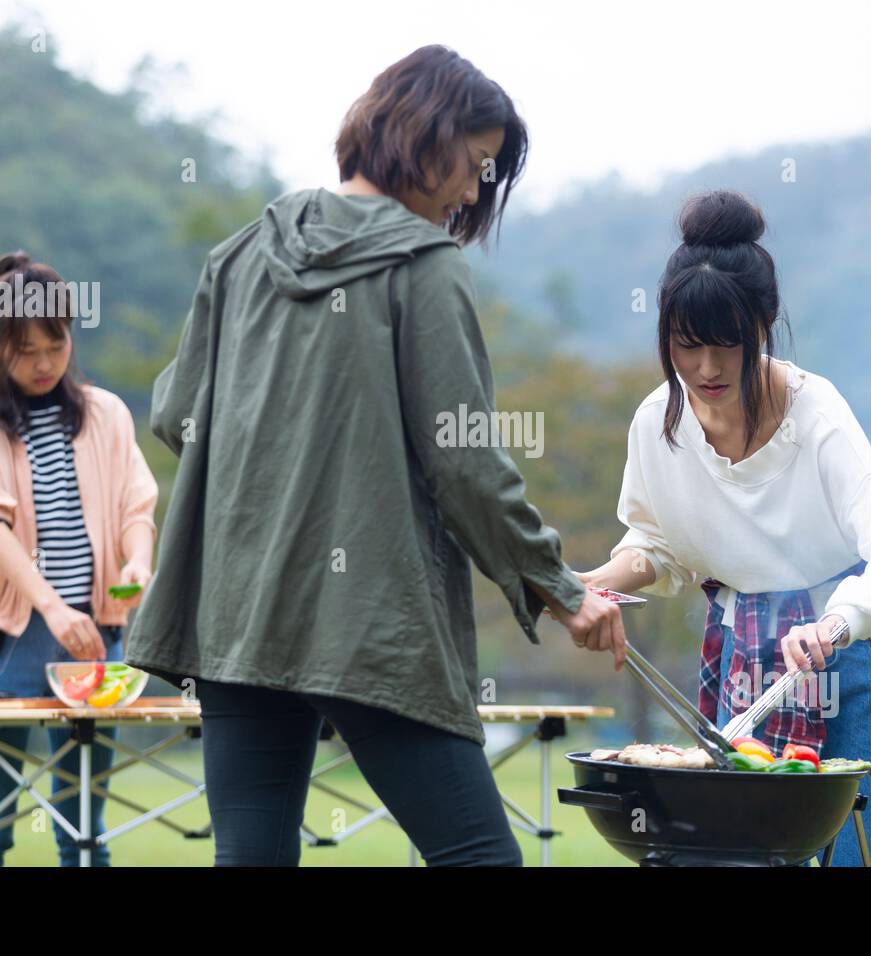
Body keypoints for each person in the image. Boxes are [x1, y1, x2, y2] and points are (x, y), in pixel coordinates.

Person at [125, 44, 625, 867]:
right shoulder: (426, 267)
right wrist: (561, 587)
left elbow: (178, 414)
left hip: (240, 613)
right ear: (422, 133)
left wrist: (279, 469)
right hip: (369, 622)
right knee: (480, 859)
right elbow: (465, 464)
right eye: (474, 164)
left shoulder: (241, 255)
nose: (472, 191)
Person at [580, 190, 871, 866]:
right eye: (686, 345)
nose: (705, 368)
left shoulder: (814, 416)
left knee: (864, 855)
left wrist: (836, 623)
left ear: (761, 327)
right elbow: (657, 547)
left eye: (726, 345)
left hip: (849, 651)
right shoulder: (658, 424)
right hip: (746, 652)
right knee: (743, 855)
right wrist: (586, 585)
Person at [0, 251, 159, 865]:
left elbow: (134, 510)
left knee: (82, 834)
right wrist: (54, 608)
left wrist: (137, 565)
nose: (42, 364)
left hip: (94, 645)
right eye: (25, 350)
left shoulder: (108, 414)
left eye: (55, 346)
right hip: (6, 644)